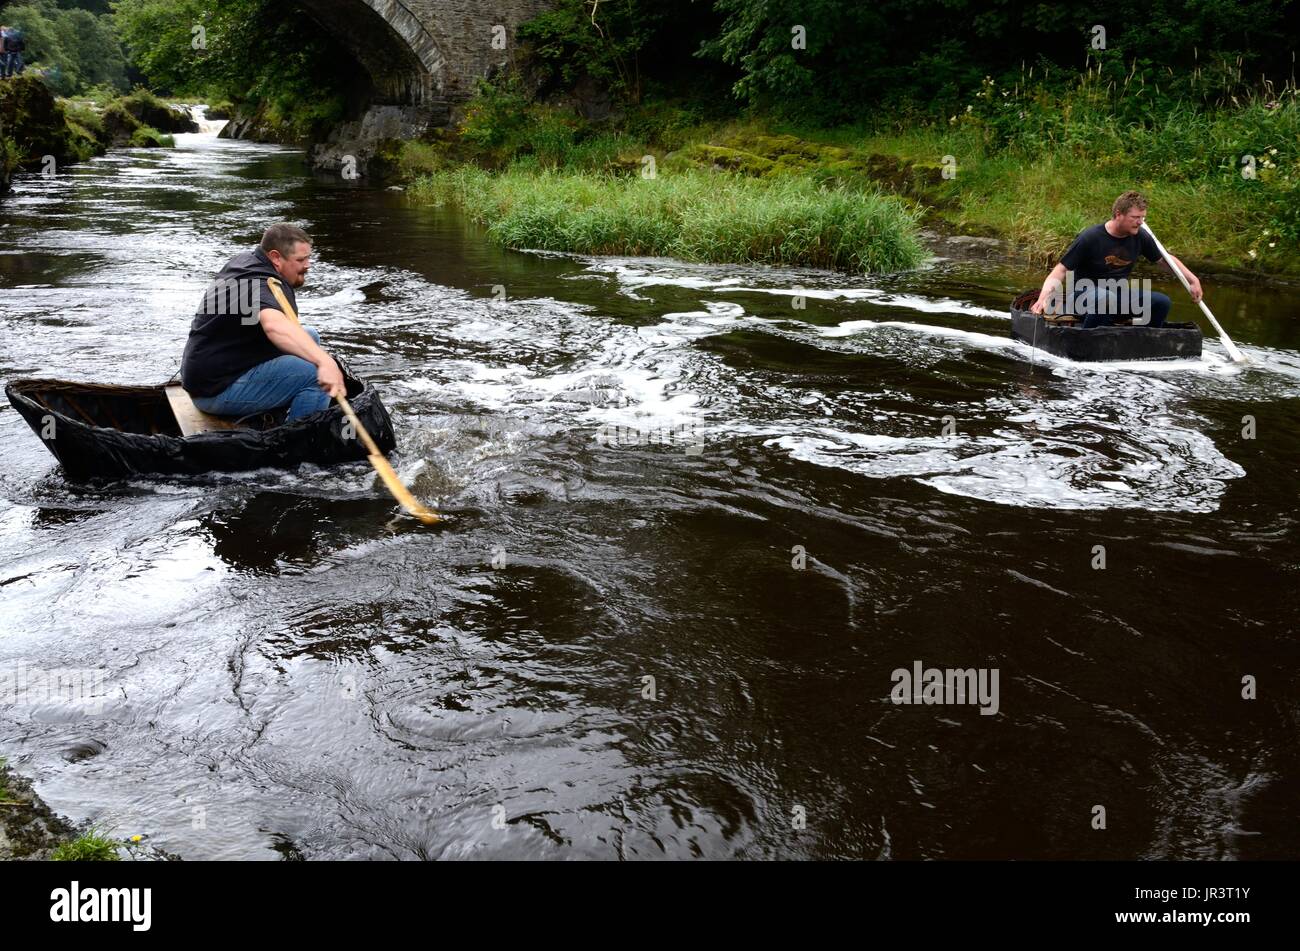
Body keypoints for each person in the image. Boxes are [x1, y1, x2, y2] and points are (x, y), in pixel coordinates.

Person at [180, 224, 345, 420]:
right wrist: (325, 362)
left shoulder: (246, 262)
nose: (308, 265)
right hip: (214, 390)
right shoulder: (261, 284)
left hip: (213, 369)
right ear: (275, 257)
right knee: (316, 375)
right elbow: (274, 326)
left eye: (308, 258)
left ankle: (288, 405)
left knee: (310, 336)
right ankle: (297, 444)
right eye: (300, 259)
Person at [1030, 191, 1202, 328]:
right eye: (1135, 218)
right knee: (1105, 297)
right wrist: (1043, 298)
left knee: (1161, 302)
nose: (1140, 222)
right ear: (1118, 214)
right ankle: (1089, 339)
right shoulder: (1090, 237)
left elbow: (1165, 260)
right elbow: (1061, 270)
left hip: (1117, 296)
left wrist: (1192, 279)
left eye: (1143, 218)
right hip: (1083, 298)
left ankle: (1143, 341)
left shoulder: (1140, 236)